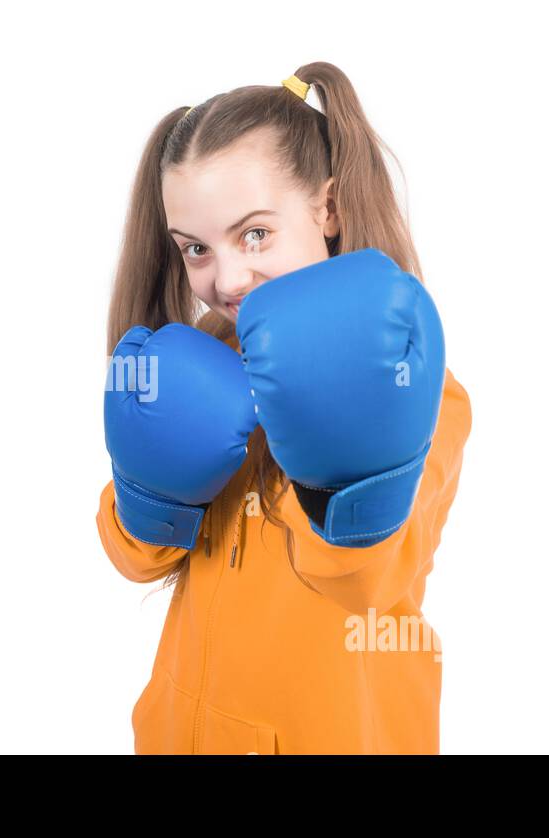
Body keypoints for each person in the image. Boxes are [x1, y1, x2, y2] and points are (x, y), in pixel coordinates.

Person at [97, 63, 472, 754]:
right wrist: (147, 486)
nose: (227, 277)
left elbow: (368, 579)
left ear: (327, 208)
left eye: (255, 235)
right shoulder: (199, 360)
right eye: (195, 249)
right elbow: (136, 555)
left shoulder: (411, 383)